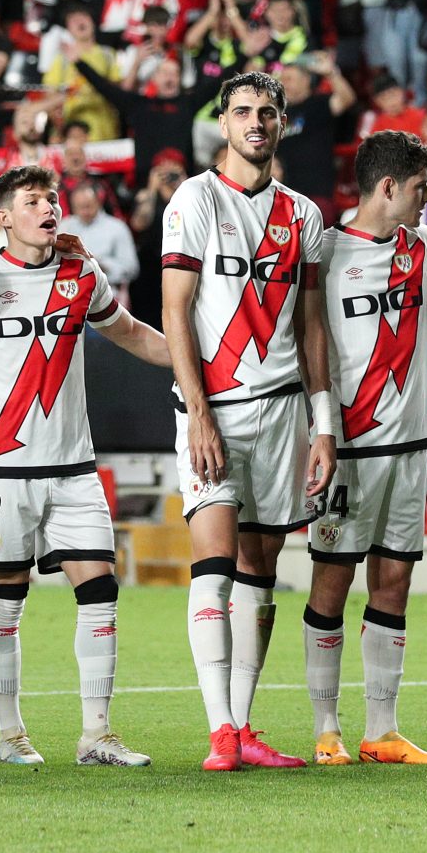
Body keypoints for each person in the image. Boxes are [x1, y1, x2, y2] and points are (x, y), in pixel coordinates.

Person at [0, 163, 171, 766]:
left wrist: (200, 366)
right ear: (3, 216)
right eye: (34, 200)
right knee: (7, 599)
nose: (49, 207)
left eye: (53, 198)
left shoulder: (81, 272)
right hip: (3, 472)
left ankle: (97, 735)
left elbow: (133, 334)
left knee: (101, 591)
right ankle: (10, 736)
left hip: (74, 469)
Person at [159, 72, 334, 771]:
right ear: (224, 123)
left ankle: (244, 722)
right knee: (216, 561)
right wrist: (197, 411)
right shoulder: (195, 199)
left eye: (266, 112)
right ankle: (219, 730)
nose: (255, 122)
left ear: (282, 123)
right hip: (217, 410)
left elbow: (313, 327)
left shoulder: (304, 215)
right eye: (241, 112)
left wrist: (324, 425)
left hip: (285, 409)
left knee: (262, 565)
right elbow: (175, 310)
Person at [299, 132, 427, 766]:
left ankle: (382, 731)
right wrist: (316, 431)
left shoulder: (426, 248)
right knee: (331, 585)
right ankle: (326, 729)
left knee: (394, 581)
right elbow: (305, 344)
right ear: (389, 187)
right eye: (421, 189)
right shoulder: (327, 255)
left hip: (410, 446)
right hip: (351, 447)